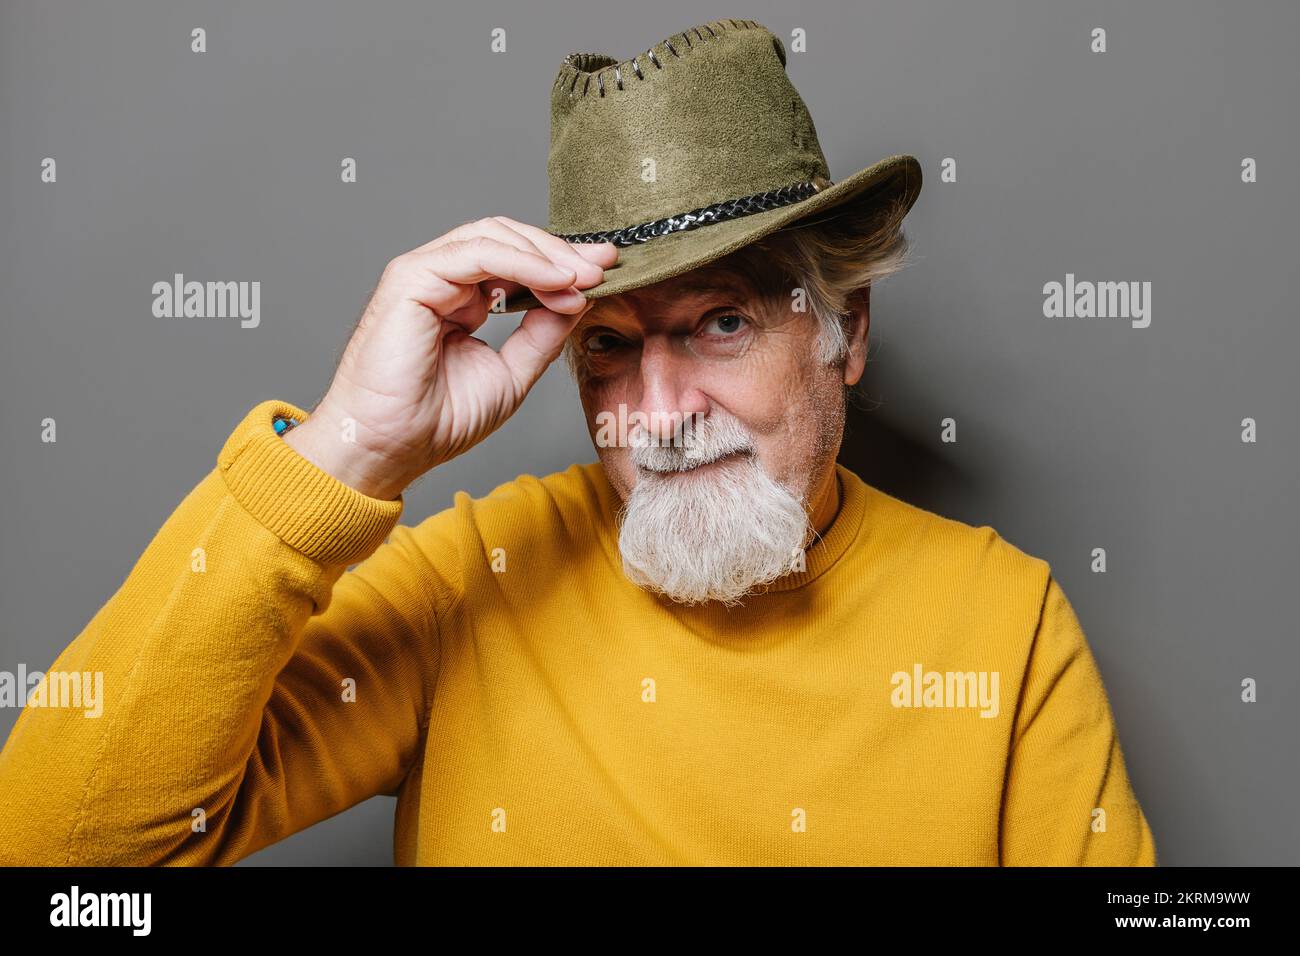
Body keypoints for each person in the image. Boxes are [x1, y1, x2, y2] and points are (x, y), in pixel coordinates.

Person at [0, 19, 1155, 866]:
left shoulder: (1003, 621)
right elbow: (54, 850)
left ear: (842, 330)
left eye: (720, 321)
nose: (656, 411)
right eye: (606, 345)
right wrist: (348, 449)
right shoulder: (474, 577)